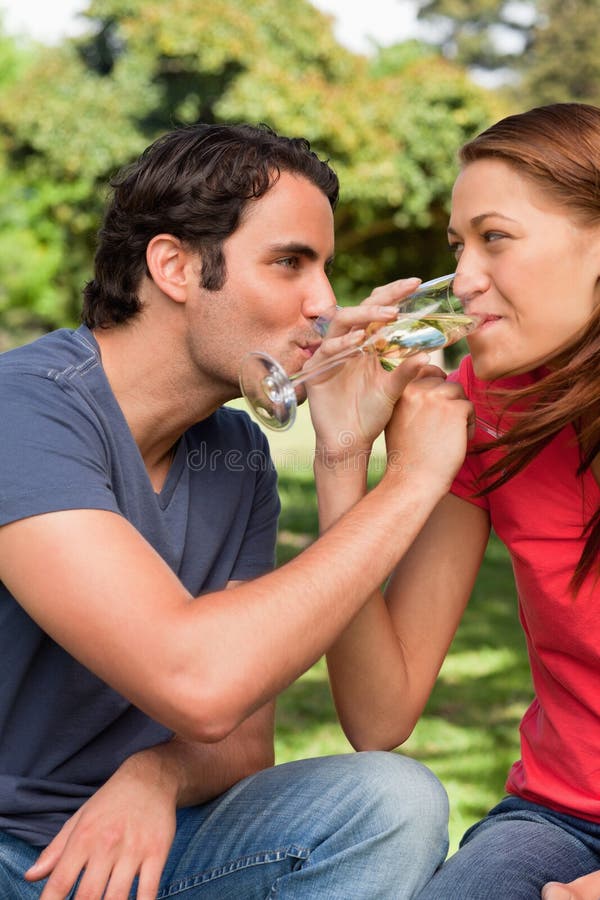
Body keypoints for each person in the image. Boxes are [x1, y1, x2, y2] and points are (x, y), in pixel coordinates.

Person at [0, 122, 473, 898]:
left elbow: (242, 741)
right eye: (289, 262)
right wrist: (412, 482)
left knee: (392, 800)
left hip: (150, 844)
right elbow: (199, 682)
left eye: (324, 267)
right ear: (176, 266)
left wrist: (158, 773)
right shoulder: (22, 412)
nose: (325, 302)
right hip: (11, 850)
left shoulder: (232, 452)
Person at [317, 102, 600, 900]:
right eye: (458, 246)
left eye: (496, 238)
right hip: (560, 820)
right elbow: (381, 714)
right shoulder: (486, 404)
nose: (465, 278)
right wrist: (344, 461)